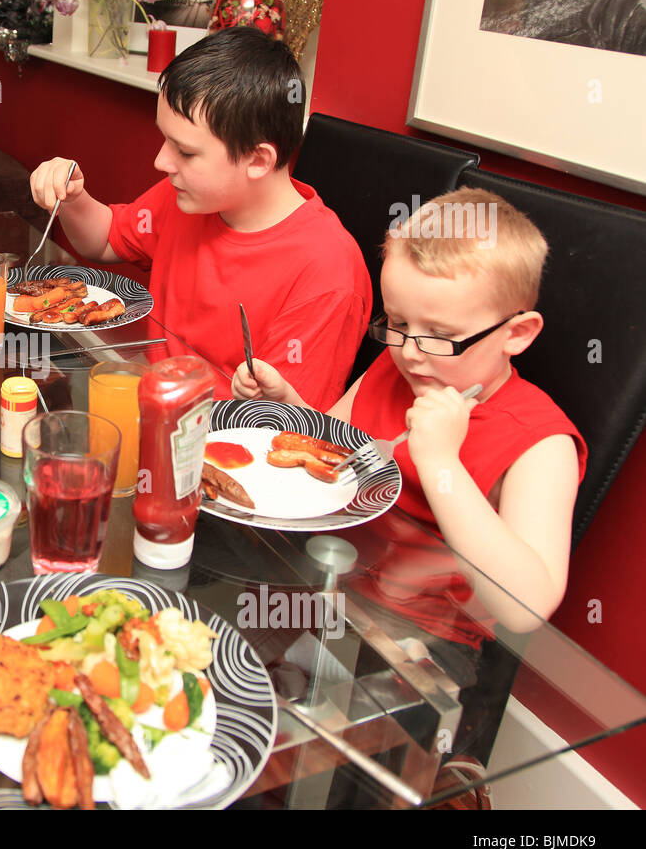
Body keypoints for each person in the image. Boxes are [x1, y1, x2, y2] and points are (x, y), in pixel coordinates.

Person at [233, 188, 586, 644]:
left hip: (417, 641)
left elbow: (525, 609)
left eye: (440, 335)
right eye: (398, 323)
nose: (411, 353)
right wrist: (288, 404)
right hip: (318, 583)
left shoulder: (541, 444)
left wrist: (442, 464)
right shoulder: (394, 366)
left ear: (516, 333)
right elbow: (337, 455)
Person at [29, 28, 371, 408]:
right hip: (145, 397)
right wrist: (74, 199)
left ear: (258, 160)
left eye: (185, 152)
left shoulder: (328, 273)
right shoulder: (195, 196)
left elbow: (280, 428)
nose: (161, 162)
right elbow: (106, 239)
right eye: (165, 139)